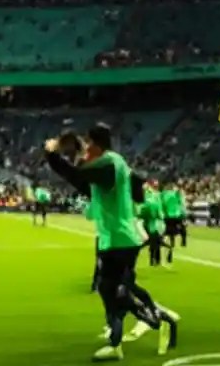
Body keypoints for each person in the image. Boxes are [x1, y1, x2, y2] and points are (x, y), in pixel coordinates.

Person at [46, 124, 179, 361]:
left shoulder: (108, 164)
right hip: (117, 238)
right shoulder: (112, 164)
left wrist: (52, 154)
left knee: (112, 290)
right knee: (117, 289)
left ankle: (155, 322)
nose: (86, 149)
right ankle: (144, 324)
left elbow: (77, 175)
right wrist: (69, 158)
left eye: (88, 145)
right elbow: (84, 183)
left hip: (120, 239)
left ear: (95, 145)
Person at [160, 183, 187, 265]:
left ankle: (169, 252)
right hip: (176, 216)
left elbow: (162, 205)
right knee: (183, 228)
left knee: (169, 235)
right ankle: (183, 240)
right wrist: (184, 215)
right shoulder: (176, 193)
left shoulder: (163, 194)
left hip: (167, 217)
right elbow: (182, 204)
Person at [140, 183, 165, 268]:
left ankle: (152, 260)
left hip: (149, 223)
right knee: (155, 242)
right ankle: (156, 260)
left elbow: (142, 213)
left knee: (151, 242)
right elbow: (160, 212)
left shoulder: (146, 199)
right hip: (156, 223)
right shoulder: (156, 196)